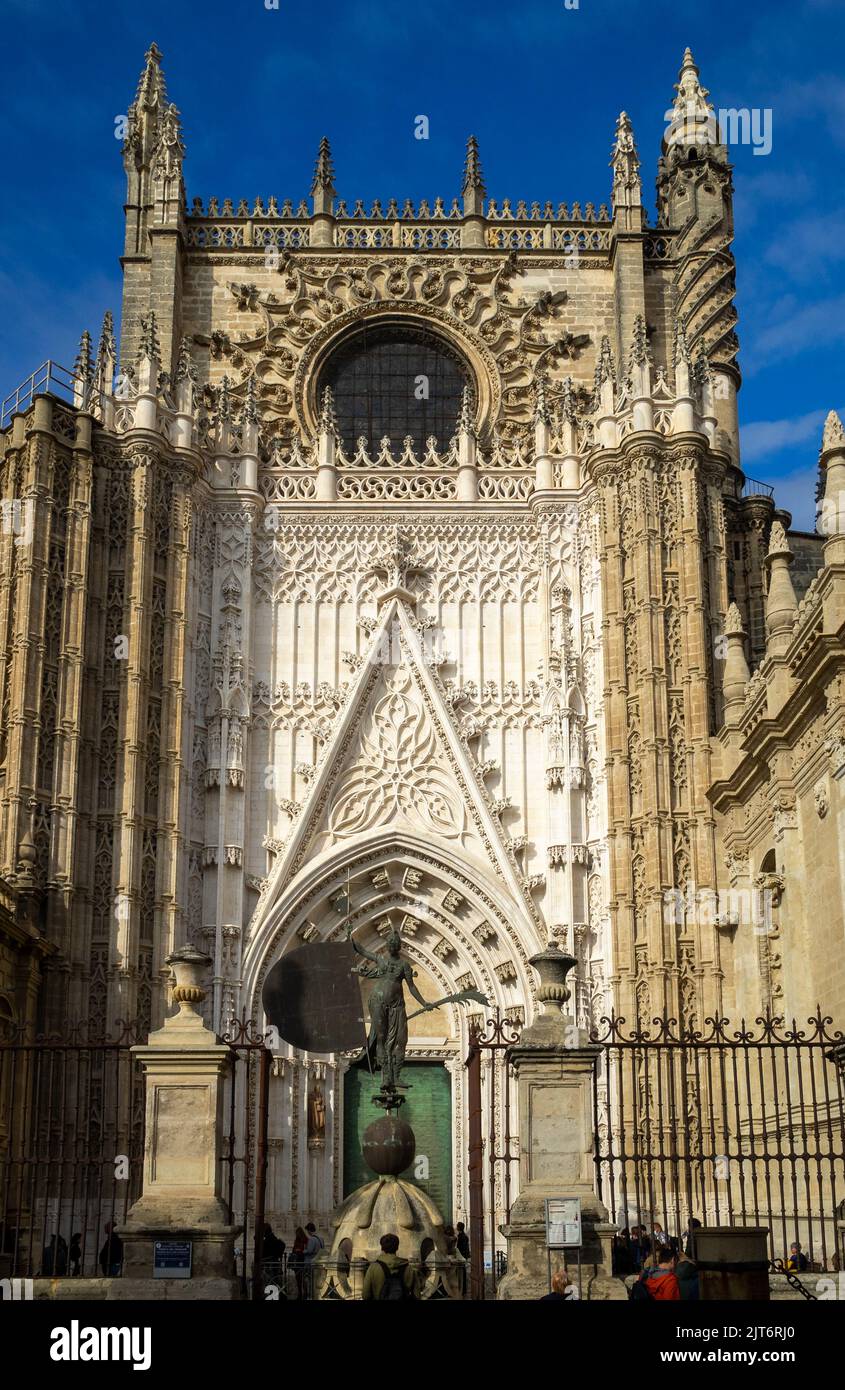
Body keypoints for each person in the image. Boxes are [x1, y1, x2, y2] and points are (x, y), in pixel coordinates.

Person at [361, 1233, 418, 1300]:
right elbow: (417, 1295)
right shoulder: (409, 1268)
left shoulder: (373, 1268)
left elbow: (365, 1295)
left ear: (382, 1248)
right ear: (397, 1247)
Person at [290, 1226, 308, 1298]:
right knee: (298, 1278)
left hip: (301, 1260)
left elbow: (306, 1250)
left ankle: (304, 1293)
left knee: (302, 1278)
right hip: (297, 1261)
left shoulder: (305, 1240)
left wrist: (299, 1251)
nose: (297, 1235)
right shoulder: (297, 1240)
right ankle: (300, 1293)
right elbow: (293, 1250)